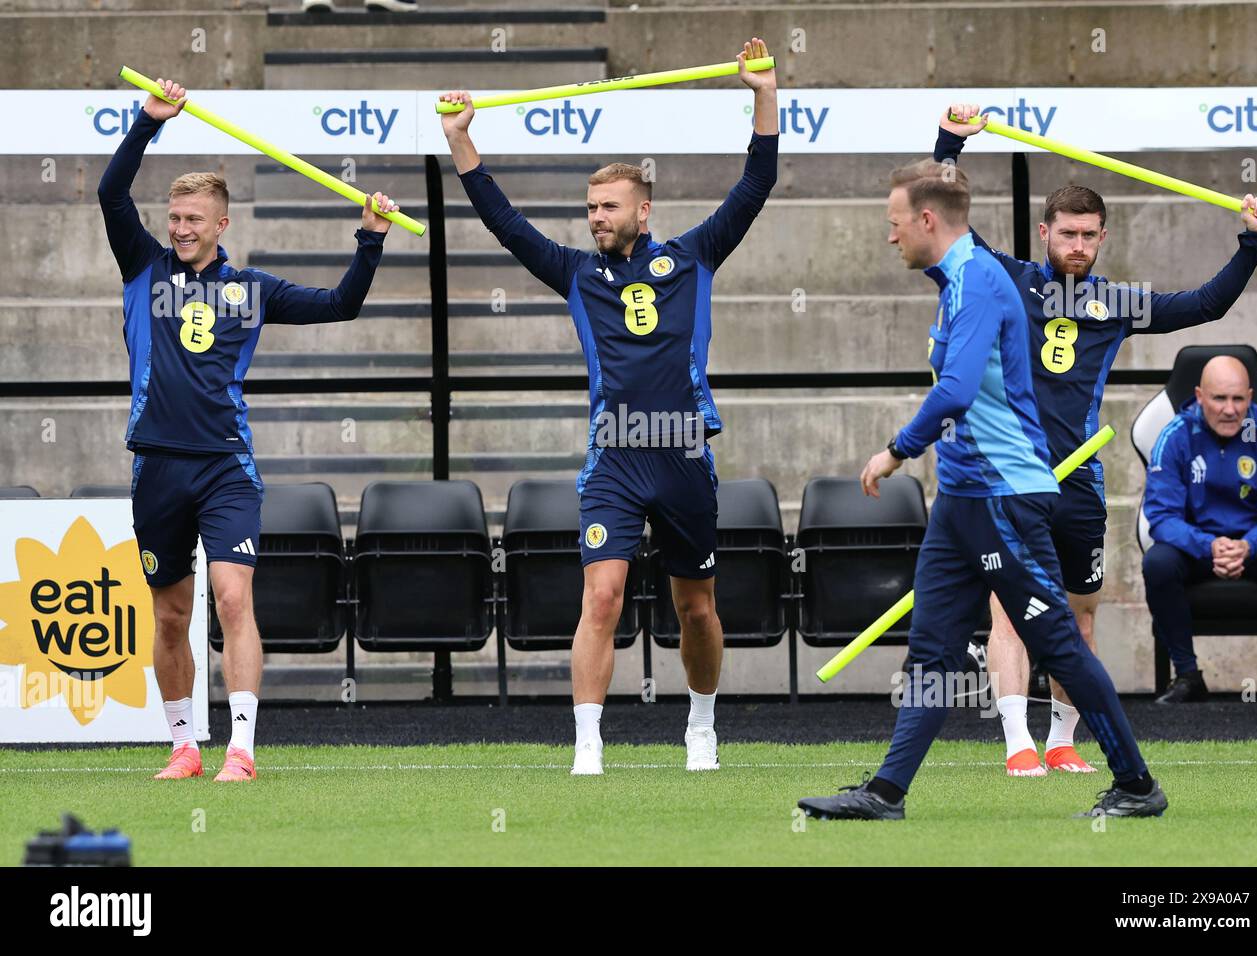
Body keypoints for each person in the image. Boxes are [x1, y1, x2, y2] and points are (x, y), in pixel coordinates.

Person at [440, 38, 778, 775]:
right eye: (590, 207)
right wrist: (462, 141)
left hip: (685, 452)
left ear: (644, 210)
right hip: (615, 456)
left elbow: (756, 183)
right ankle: (588, 744)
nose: (595, 217)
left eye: (608, 207)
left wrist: (761, 92)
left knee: (696, 606)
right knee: (604, 594)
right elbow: (505, 223)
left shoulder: (694, 256)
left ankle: (701, 724)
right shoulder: (573, 273)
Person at [797, 160, 1166, 820]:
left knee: (1055, 641)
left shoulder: (976, 283)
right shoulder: (961, 278)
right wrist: (949, 143)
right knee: (933, 648)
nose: (891, 237)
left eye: (896, 224)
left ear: (927, 222)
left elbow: (957, 391)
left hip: (1004, 496)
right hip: (963, 499)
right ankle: (887, 792)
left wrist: (894, 451)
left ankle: (1136, 784)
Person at [935, 103, 1257, 774]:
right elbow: (945, 227)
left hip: (1080, 483)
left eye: (1090, 235)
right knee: (1010, 616)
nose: (1079, 246)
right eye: (1068, 234)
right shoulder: (1009, 278)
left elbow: (1206, 304)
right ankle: (1017, 745)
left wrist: (1253, 241)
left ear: (1102, 238)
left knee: (1076, 618)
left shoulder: (1118, 304)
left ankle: (1062, 741)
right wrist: (949, 144)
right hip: (1014, 479)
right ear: (1045, 232)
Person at [98, 78, 399, 782]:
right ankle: (182, 747)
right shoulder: (143, 268)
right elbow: (111, 195)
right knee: (171, 614)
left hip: (227, 465)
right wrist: (148, 123)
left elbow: (341, 306)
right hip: (157, 467)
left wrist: (370, 239)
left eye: (193, 218)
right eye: (174, 217)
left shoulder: (253, 289)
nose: (179, 228)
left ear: (221, 224)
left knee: (233, 597)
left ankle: (242, 749)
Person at [1143, 355, 1257, 703]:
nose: (1230, 410)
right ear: (1200, 396)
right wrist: (1209, 546)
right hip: (1197, 550)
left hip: (1254, 549)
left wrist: (1247, 547)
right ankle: (1187, 676)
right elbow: (1161, 516)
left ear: (1249, 397)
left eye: (1238, 399)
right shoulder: (1175, 436)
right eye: (1219, 398)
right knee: (1158, 563)